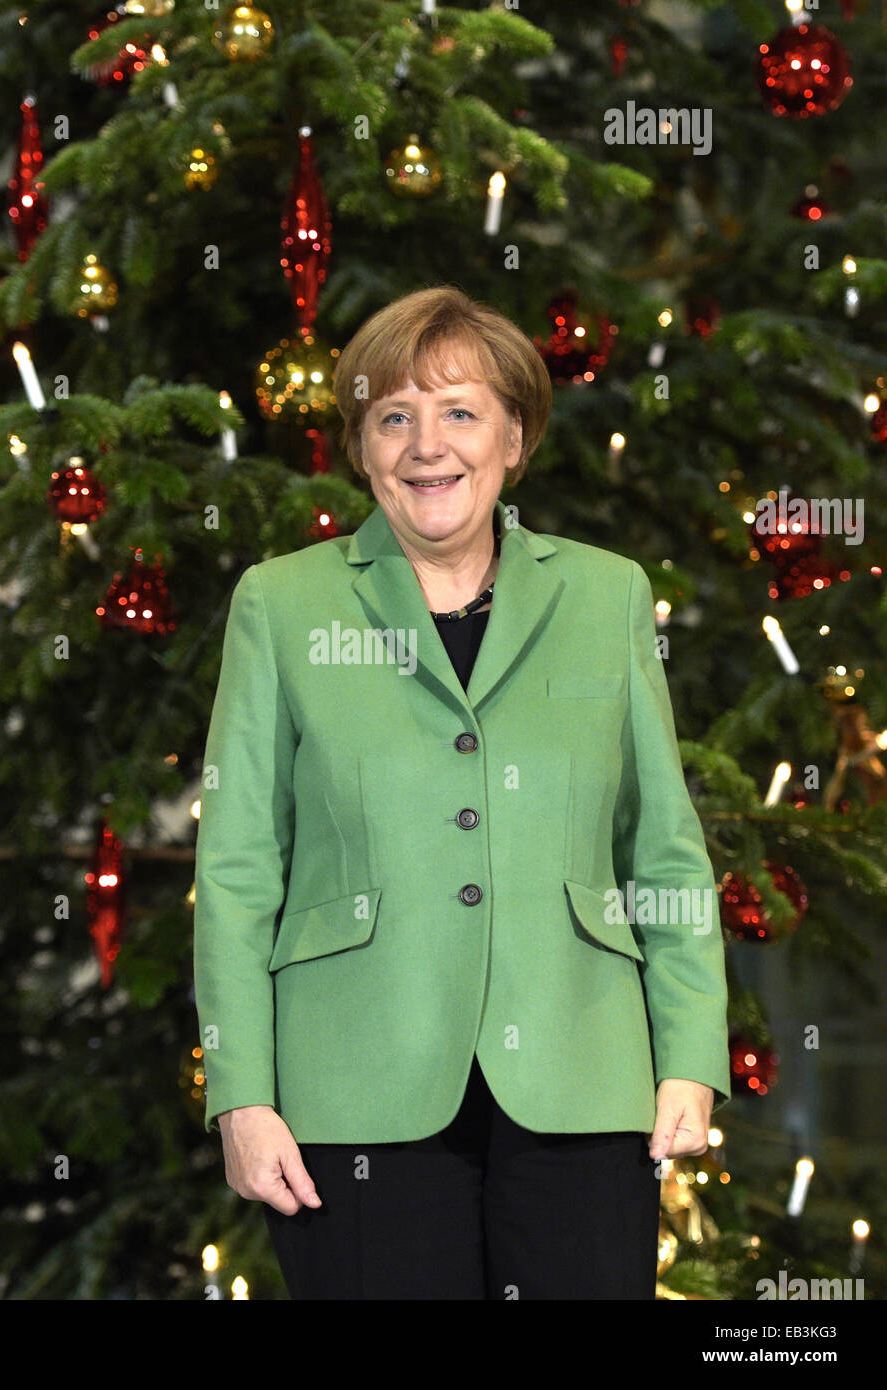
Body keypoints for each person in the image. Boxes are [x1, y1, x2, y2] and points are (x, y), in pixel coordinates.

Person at [192, 285, 730, 1300]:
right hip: (349, 1094)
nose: (424, 444)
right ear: (360, 447)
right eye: (392, 415)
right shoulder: (281, 602)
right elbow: (235, 871)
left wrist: (691, 1055)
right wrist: (243, 1096)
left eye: (459, 412)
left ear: (513, 439)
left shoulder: (607, 593)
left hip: (582, 1084)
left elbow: (663, 848)